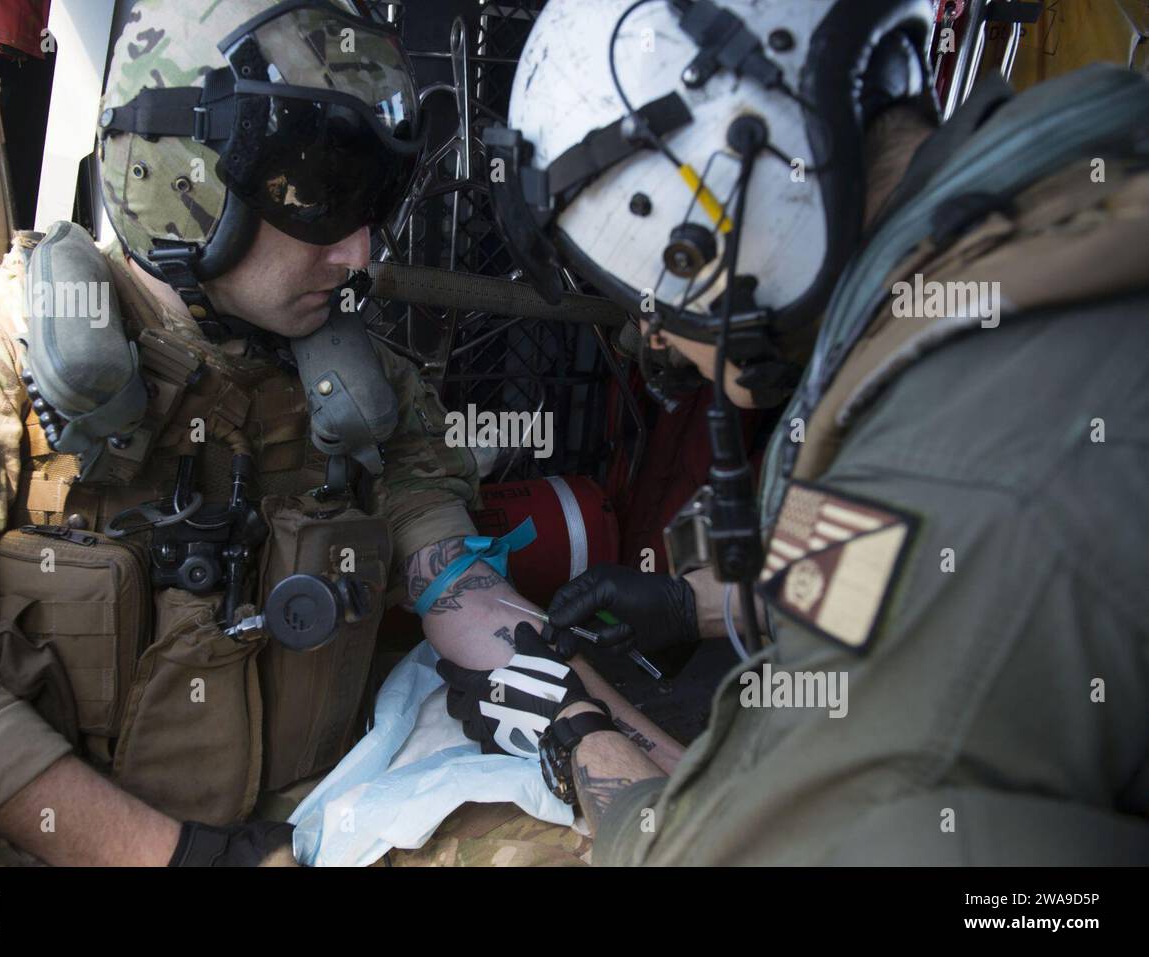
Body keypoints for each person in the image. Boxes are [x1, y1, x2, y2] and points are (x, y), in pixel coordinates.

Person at [0, 0, 672, 868]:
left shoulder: (373, 393)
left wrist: (633, 760)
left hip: (314, 812)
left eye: (374, 204)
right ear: (184, 179)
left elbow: (461, 591)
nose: (359, 253)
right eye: (319, 197)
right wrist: (176, 855)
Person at [436, 0, 1149, 864]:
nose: (653, 342)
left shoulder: (968, 466)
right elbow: (929, 574)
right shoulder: (1060, 212)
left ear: (711, 204)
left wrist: (578, 733)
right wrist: (704, 601)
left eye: (646, 301)